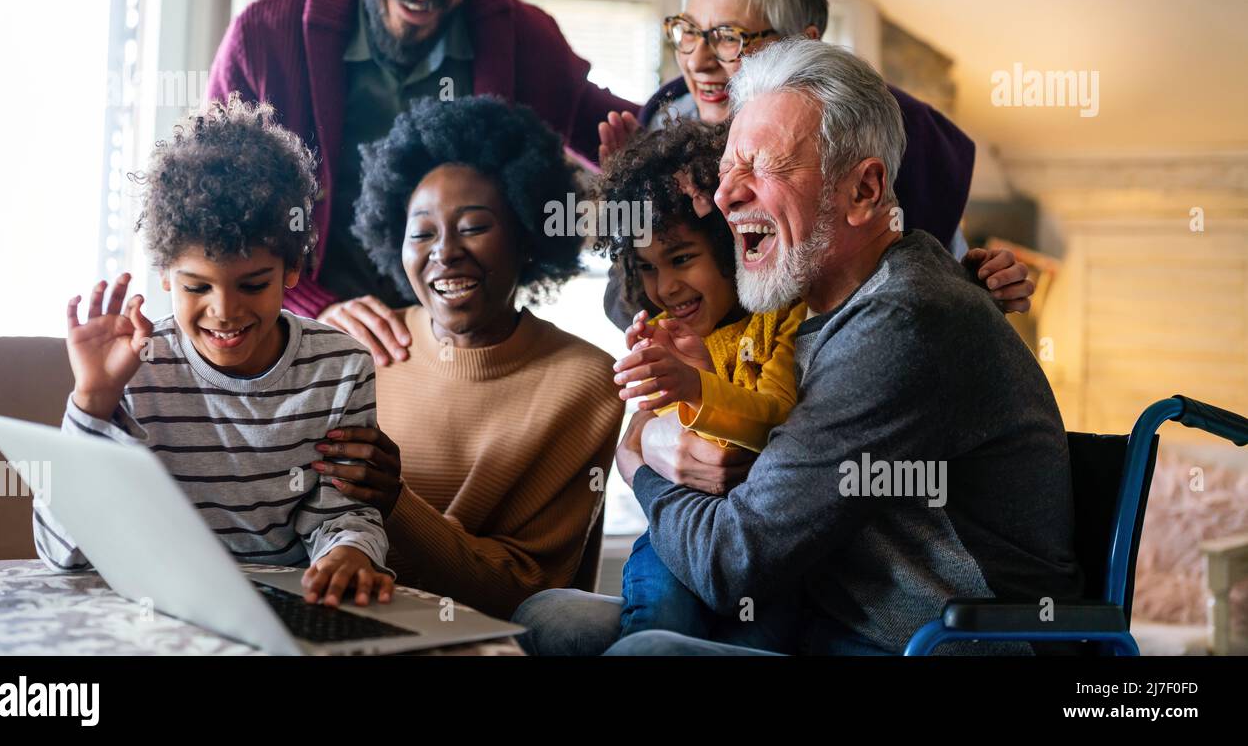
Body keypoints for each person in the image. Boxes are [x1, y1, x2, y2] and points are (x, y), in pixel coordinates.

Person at [513, 38, 1083, 655]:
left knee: (647, 652)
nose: (728, 197)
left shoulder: (903, 319)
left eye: (763, 167)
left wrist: (638, 467)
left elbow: (731, 560)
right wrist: (650, 429)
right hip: (823, 621)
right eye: (730, 169)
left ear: (864, 191)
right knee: (545, 618)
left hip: (934, 644)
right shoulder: (796, 306)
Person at [206, 0, 637, 367]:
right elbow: (216, 213)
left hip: (459, 341)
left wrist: (716, 112)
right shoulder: (264, 36)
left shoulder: (526, 38)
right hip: (303, 334)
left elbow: (612, 126)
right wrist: (311, 307)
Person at [35, 97, 395, 610]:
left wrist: (351, 552)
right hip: (156, 610)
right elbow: (61, 554)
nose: (224, 311)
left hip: (284, 608)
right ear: (163, 275)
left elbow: (342, 515)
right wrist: (93, 401)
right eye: (197, 287)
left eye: (253, 284)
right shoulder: (137, 367)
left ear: (293, 270)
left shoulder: (340, 368)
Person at [596, 0, 1034, 328]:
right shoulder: (667, 123)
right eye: (688, 32)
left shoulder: (868, 130)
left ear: (802, 42)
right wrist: (624, 204)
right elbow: (631, 293)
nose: (697, 60)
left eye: (728, 36)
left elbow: (933, 284)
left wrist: (981, 285)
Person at [307, 95, 624, 619]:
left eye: (474, 227)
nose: (445, 251)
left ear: (526, 235)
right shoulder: (361, 352)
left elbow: (528, 590)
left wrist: (397, 503)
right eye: (422, 233)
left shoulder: (584, 382)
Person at [595, 120, 804, 649]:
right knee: (656, 623)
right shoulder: (664, 336)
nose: (665, 287)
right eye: (646, 268)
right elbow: (642, 443)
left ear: (729, 245)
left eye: (682, 258)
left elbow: (775, 419)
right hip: (673, 535)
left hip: (756, 546)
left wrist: (696, 384)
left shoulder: (781, 319)